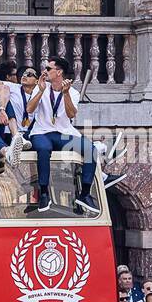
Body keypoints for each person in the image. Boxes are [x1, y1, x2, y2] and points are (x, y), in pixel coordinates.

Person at [24, 54, 108, 216]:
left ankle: (84, 194)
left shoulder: (73, 92)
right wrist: (40, 91)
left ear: (59, 72)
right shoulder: (41, 86)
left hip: (63, 133)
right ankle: (44, 193)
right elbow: (29, 109)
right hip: (41, 132)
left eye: (49, 68)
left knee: (90, 149)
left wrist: (66, 93)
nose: (45, 71)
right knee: (43, 149)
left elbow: (70, 114)